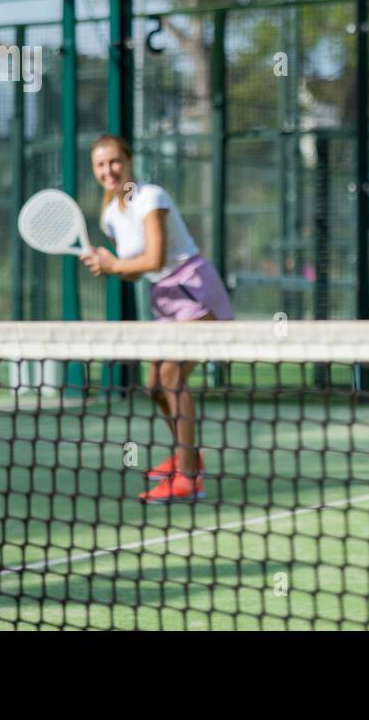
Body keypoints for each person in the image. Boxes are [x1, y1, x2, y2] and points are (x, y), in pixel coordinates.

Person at [80, 133, 235, 504]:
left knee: (171, 375)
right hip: (164, 301)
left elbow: (154, 258)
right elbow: (136, 271)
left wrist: (116, 264)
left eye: (115, 161)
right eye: (100, 165)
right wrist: (109, 267)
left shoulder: (152, 198)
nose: (109, 170)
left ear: (129, 161)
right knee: (154, 385)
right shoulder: (109, 216)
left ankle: (188, 477)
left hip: (195, 292)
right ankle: (188, 457)